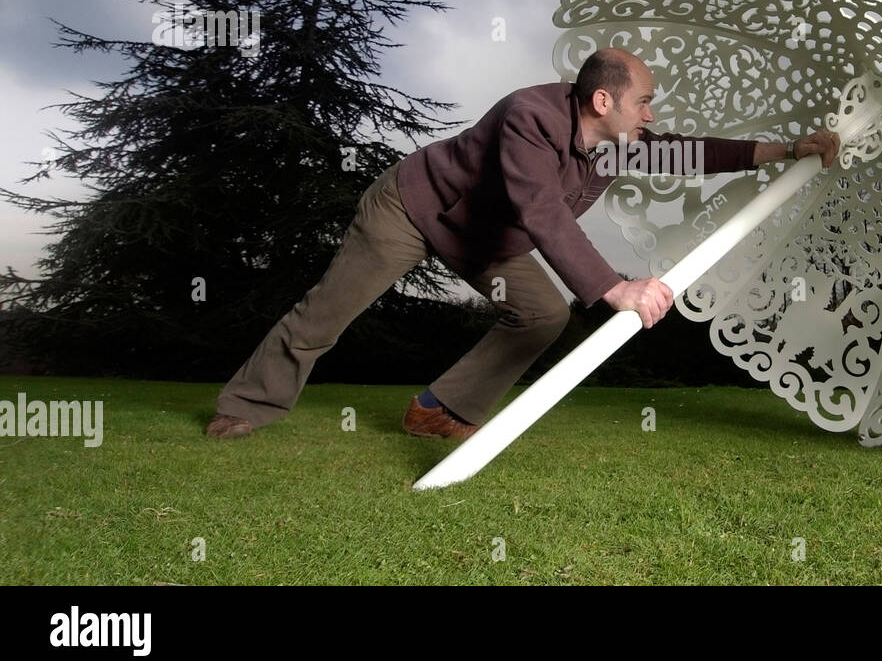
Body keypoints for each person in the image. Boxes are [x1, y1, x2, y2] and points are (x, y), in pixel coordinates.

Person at [204, 47, 840, 440]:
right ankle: (246, 407)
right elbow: (540, 207)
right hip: (412, 209)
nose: (650, 115)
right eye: (643, 103)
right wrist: (615, 286)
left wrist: (788, 149)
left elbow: (692, 151)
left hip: (489, 237)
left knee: (542, 314)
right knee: (325, 316)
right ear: (602, 99)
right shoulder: (528, 116)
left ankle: (438, 410)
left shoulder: (620, 142)